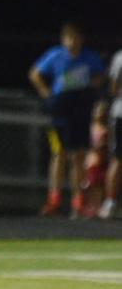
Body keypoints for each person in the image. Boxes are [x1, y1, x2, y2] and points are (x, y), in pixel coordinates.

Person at [28, 22, 104, 219]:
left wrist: (87, 85)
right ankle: (54, 199)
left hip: (80, 109)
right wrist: (47, 94)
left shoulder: (90, 58)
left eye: (76, 37)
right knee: (58, 154)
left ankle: (78, 201)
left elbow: (100, 77)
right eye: (69, 38)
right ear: (63, 40)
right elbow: (35, 74)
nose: (73, 42)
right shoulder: (56, 55)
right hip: (60, 111)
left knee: (78, 155)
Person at [99, 49, 122, 218]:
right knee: (117, 159)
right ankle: (110, 202)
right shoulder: (120, 57)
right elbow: (113, 87)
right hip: (121, 114)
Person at [82, 101, 108, 217]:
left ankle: (98, 206)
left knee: (99, 187)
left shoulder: (106, 129)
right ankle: (90, 206)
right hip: (90, 162)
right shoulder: (89, 128)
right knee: (89, 186)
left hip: (100, 163)